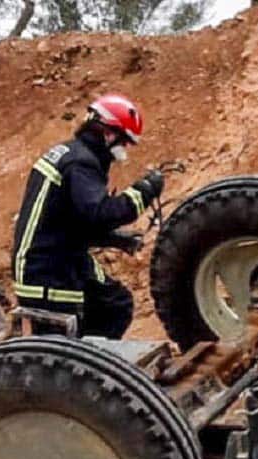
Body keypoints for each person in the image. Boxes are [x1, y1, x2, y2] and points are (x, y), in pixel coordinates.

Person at [11, 93, 163, 339]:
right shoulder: (82, 164)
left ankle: (90, 358)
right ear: (108, 133)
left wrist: (117, 239)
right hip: (47, 273)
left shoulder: (70, 153)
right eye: (123, 142)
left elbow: (70, 220)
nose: (123, 150)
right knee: (106, 312)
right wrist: (142, 193)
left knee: (116, 303)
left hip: (49, 259)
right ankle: (87, 367)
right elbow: (99, 213)